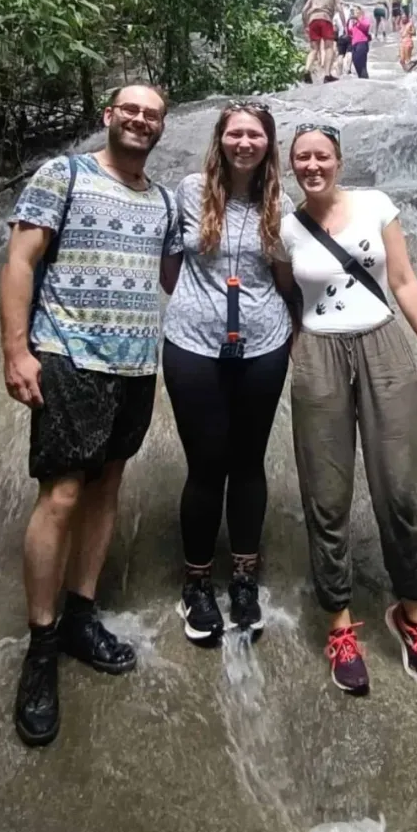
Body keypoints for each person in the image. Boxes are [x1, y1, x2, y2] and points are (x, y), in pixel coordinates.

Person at [0, 84, 183, 748]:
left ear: (163, 126)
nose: (140, 120)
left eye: (152, 114)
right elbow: (20, 260)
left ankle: (81, 612)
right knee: (63, 493)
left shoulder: (162, 200)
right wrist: (16, 350)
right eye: (130, 110)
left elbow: (171, 277)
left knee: (107, 487)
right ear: (109, 115)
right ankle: (42, 646)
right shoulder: (65, 173)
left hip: (137, 363)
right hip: (69, 352)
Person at [280, 123, 417, 696]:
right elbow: (284, 298)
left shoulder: (376, 205)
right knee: (326, 496)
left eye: (321, 155)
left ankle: (413, 616)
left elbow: (402, 280)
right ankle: (338, 624)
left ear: (338, 159)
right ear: (291, 164)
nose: (312, 165)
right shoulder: (283, 228)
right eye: (302, 156)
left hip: (382, 344)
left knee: (399, 490)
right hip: (318, 354)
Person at [161, 104, 293, 644]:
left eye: (254, 134)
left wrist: (299, 334)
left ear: (268, 143)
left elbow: (286, 275)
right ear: (220, 139)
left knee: (248, 463)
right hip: (193, 345)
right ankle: (195, 585)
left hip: (265, 345)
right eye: (235, 133)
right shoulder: (191, 191)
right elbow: (171, 268)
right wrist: (202, 307)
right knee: (205, 464)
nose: (244, 142)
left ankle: (242, 580)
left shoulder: (280, 203)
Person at [301, 0, 339, 83]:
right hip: (325, 18)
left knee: (314, 49)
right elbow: (340, 9)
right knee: (329, 47)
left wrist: (305, 25)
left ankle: (306, 70)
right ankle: (327, 75)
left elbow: (304, 10)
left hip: (313, 20)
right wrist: (345, 24)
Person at [348, 5, 373, 79]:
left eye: (356, 11)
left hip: (362, 42)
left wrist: (358, 20)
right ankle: (361, 77)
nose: (354, 12)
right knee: (355, 61)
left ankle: (364, 77)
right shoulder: (354, 22)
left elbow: (366, 26)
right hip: (354, 43)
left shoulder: (364, 19)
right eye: (354, 11)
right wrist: (349, 22)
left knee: (361, 62)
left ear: (360, 11)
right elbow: (349, 32)